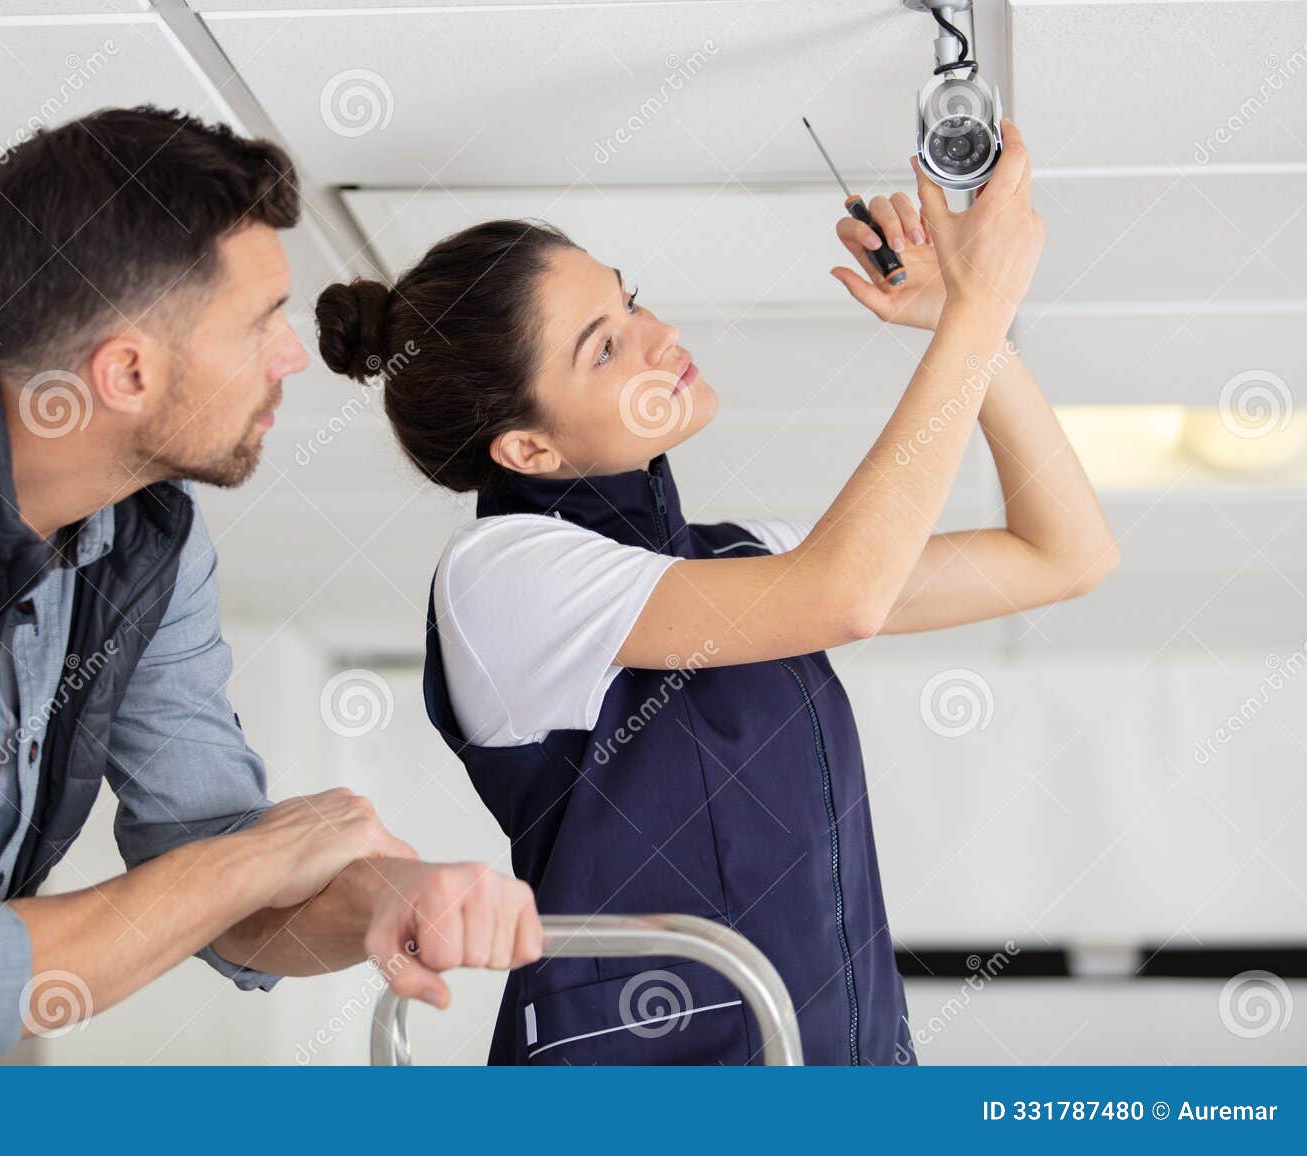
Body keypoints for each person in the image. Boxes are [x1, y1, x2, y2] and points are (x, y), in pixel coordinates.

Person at [0, 106, 541, 1066]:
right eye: (260, 321)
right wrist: (259, 856)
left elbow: (225, 887)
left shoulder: (148, 526)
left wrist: (390, 900)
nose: (292, 355)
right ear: (127, 371)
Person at [313, 119, 1117, 1065]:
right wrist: (980, 309)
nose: (660, 337)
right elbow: (846, 595)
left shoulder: (741, 565)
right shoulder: (501, 574)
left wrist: (967, 329)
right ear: (528, 450)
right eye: (604, 348)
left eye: (633, 303)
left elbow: (1064, 553)